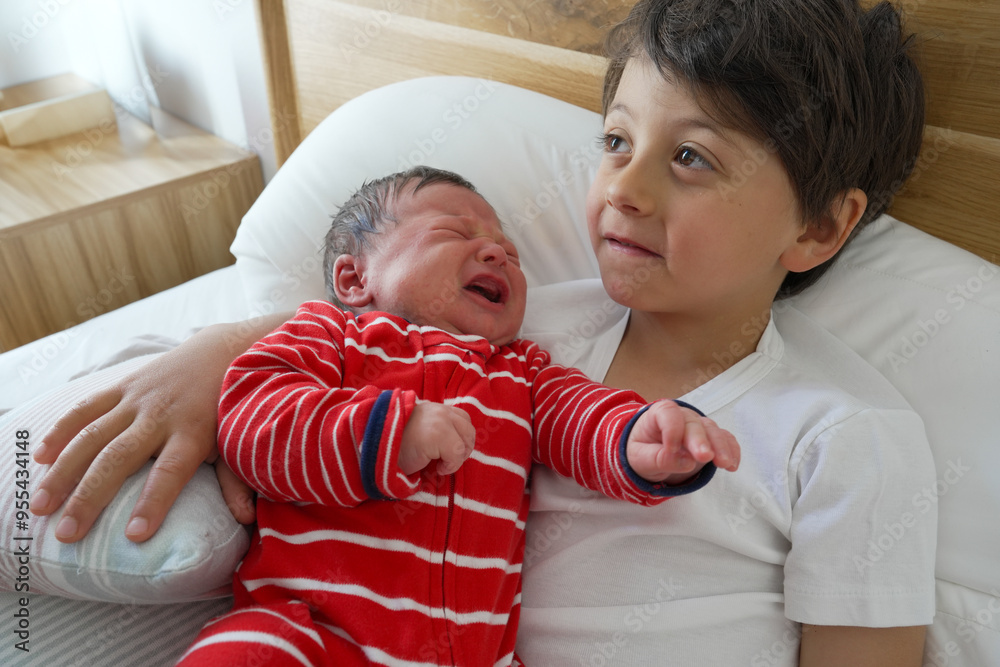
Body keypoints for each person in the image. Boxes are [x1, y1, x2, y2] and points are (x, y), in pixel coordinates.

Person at [29, 0, 937, 664]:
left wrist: (649, 444)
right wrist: (218, 352)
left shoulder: (851, 438)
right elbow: (370, 333)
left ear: (819, 227)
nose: (623, 188)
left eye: (691, 156)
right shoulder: (515, 327)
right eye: (616, 142)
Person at [175, 166, 739, 666]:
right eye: (454, 233)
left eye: (510, 252)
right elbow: (253, 421)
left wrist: (639, 438)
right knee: (248, 650)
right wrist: (385, 435)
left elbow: (582, 418)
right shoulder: (332, 338)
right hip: (317, 634)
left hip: (476, 654)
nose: (497, 253)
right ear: (354, 280)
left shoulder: (522, 373)